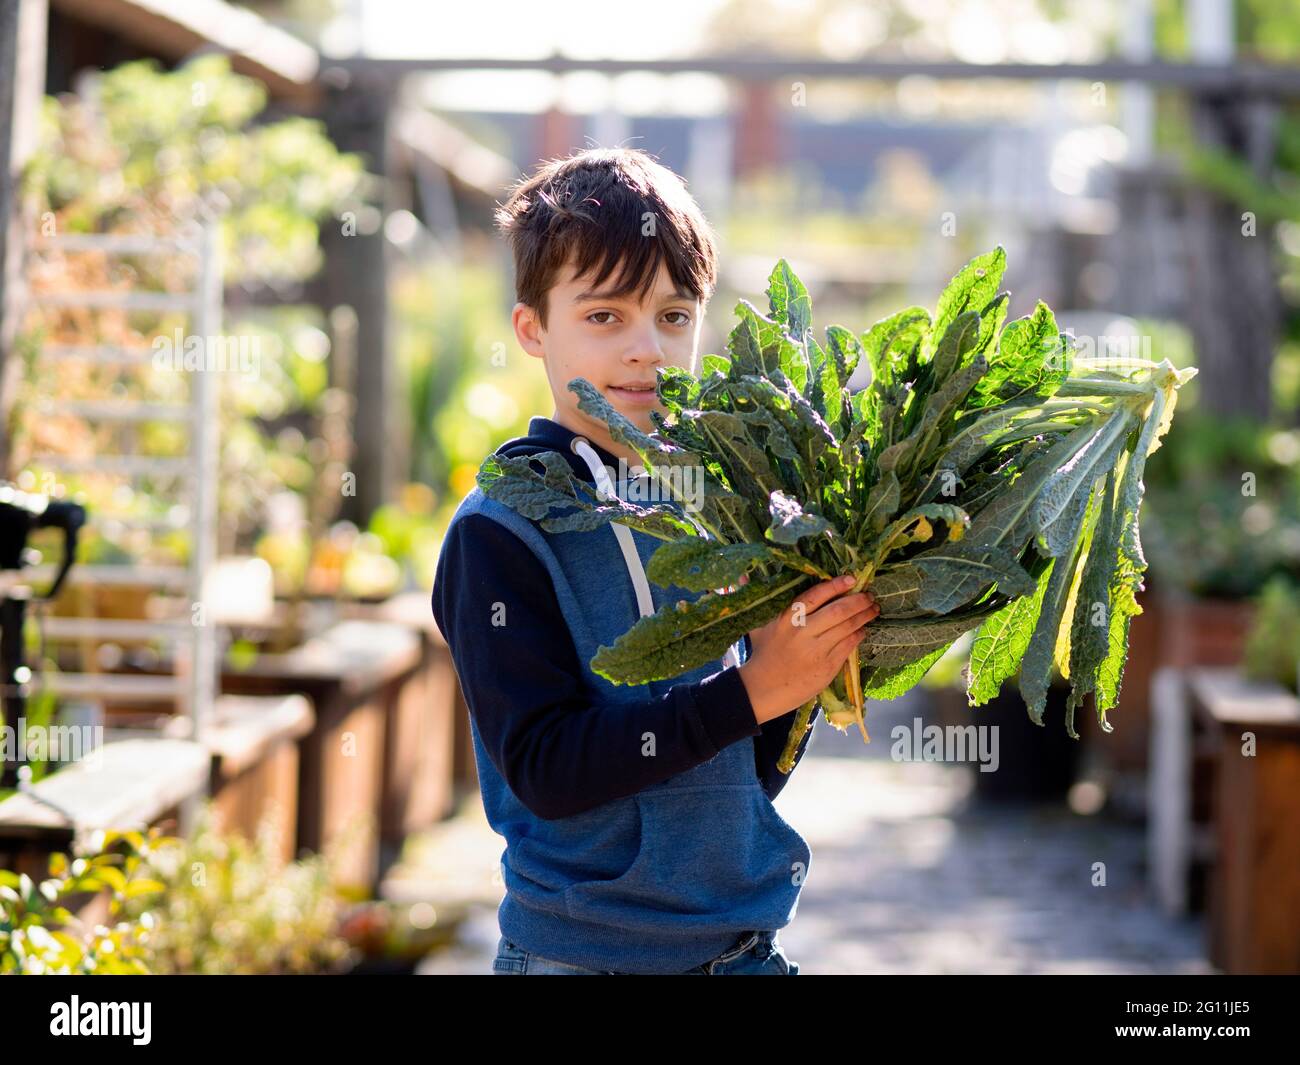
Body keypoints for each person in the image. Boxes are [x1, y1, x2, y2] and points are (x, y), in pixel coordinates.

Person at [431, 147, 878, 975]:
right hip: (581, 958)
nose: (648, 350)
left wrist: (806, 671)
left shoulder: (719, 506)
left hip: (743, 950)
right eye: (605, 317)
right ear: (533, 329)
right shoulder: (498, 533)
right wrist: (754, 690)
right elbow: (547, 770)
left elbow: (740, 770)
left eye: (674, 317)